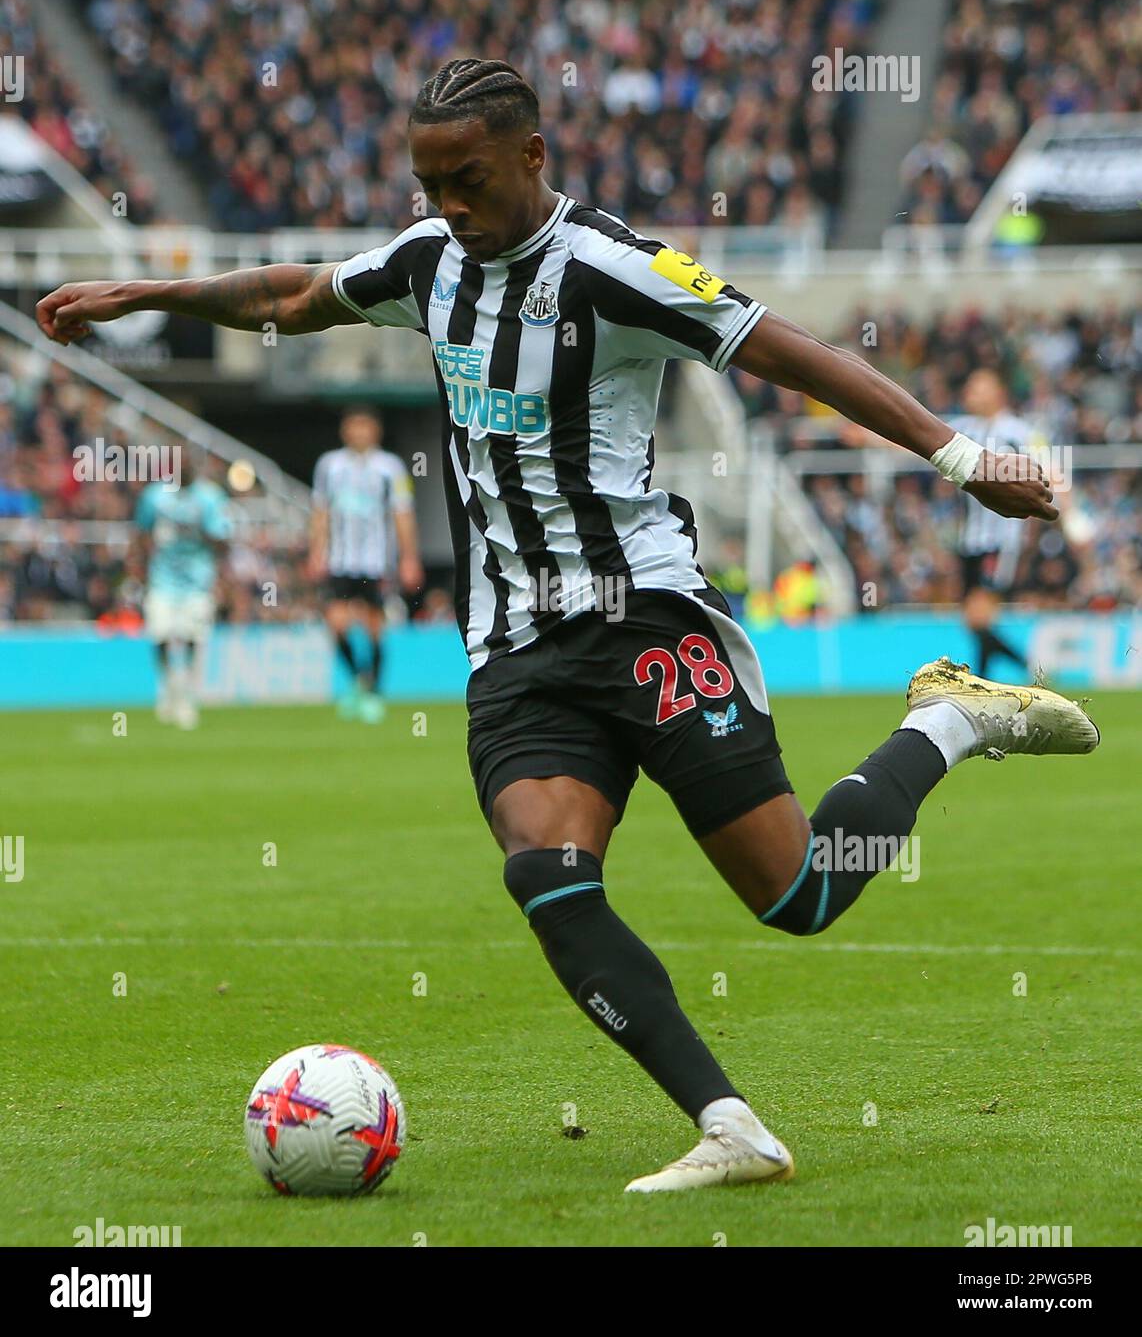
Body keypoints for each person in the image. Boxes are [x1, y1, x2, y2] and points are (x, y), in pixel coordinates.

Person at [35, 58, 1098, 1193]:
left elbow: (795, 354)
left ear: (531, 157)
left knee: (797, 893)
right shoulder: (426, 264)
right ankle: (729, 1124)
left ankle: (945, 723)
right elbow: (289, 298)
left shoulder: (614, 270)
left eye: (468, 179)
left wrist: (959, 457)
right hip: (514, 651)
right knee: (544, 872)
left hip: (641, 618)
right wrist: (145, 295)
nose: (446, 205)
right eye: (426, 182)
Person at [309, 408, 424, 722]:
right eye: (353, 426)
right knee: (335, 625)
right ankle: (363, 681)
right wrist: (316, 551)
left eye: (365, 426)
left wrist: (409, 557)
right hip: (339, 560)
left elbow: (402, 514)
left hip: (376, 562)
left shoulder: (391, 468)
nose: (359, 433)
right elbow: (321, 511)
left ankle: (372, 693)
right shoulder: (329, 465)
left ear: (376, 430)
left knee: (374, 628)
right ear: (345, 431)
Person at [135, 449, 231, 730]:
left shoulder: (210, 497)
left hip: (198, 582)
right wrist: (141, 567)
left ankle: (186, 693)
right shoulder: (155, 496)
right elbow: (141, 531)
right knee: (161, 634)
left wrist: (203, 531)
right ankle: (168, 687)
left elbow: (223, 540)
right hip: (162, 579)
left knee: (192, 636)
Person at [946, 368, 1032, 677]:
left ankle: (986, 680)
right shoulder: (964, 427)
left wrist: (1073, 520)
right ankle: (1010, 672)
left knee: (979, 617)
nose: (969, 392)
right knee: (973, 621)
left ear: (999, 392)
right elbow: (917, 437)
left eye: (977, 386)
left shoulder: (1018, 431)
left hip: (1001, 539)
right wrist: (871, 434)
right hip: (971, 541)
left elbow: (1053, 471)